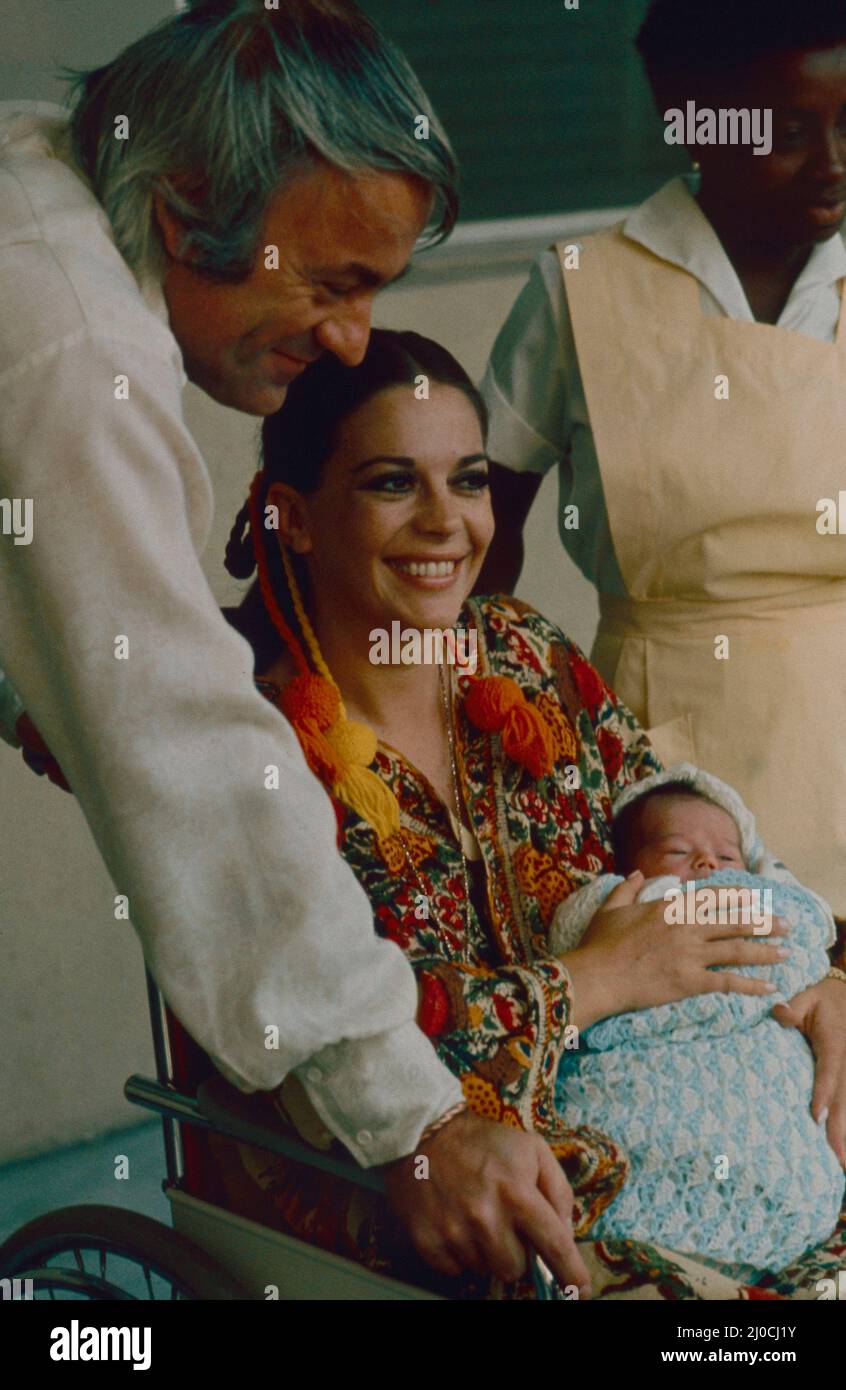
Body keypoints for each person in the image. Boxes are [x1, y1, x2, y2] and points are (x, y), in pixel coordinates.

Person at [0, 0, 586, 1287]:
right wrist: (414, 1121)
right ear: (184, 205)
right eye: (330, 283)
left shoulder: (49, 173)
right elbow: (191, 759)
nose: (351, 339)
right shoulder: (76, 350)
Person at [207, 326, 846, 1298]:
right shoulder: (257, 749)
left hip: (659, 1102)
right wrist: (592, 979)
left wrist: (823, 979)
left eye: (466, 480)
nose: (446, 522)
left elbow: (673, 809)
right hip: (401, 1158)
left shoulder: (518, 651)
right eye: (391, 483)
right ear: (292, 517)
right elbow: (313, 1048)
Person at [477, 0, 846, 922]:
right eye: (792, 131)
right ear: (690, 118)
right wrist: (483, 719)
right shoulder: (582, 291)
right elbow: (480, 530)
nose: (834, 163)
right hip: (669, 779)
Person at [550, 767, 846, 1281]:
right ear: (632, 864)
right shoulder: (626, 898)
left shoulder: (763, 899)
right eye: (677, 850)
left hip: (760, 1059)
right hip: (652, 1060)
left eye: (727, 856)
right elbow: (574, 938)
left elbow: (804, 940)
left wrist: (825, 977)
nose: (708, 862)